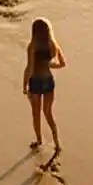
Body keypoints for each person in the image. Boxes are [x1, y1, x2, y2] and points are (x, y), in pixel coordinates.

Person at [22, 18, 66, 150]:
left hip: (35, 82)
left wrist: (24, 86)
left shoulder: (32, 46)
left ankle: (39, 140)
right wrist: (48, 64)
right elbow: (62, 64)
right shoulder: (52, 44)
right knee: (48, 113)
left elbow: (29, 68)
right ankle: (57, 143)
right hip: (48, 81)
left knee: (36, 114)